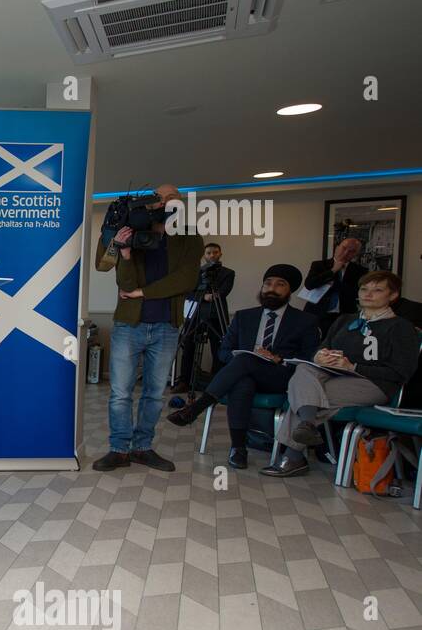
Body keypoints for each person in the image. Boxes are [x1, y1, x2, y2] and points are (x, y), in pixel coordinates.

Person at [262, 270, 420, 477]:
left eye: (377, 290)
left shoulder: (401, 327)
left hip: (374, 384)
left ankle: (294, 455)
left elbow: (401, 372)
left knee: (309, 395)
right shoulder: (344, 320)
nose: (368, 294)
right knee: (305, 369)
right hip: (332, 375)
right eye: (364, 289)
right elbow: (322, 348)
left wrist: (353, 367)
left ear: (393, 295)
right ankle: (306, 428)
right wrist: (319, 357)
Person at [93, 185, 204, 472]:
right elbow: (108, 271)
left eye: (172, 197)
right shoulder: (129, 229)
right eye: (160, 197)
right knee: (120, 392)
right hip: (129, 325)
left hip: (167, 326)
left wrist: (143, 293)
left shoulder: (189, 237)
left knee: (154, 393)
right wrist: (121, 247)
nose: (165, 202)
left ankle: (142, 448)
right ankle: (119, 450)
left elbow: (186, 280)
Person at [166, 264, 319, 468]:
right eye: (267, 283)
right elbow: (223, 351)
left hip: (282, 377)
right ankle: (238, 448)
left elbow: (309, 358)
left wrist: (277, 358)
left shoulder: (305, 320)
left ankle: (198, 407)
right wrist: (242, 357)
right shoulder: (244, 316)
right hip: (245, 374)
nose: (272, 288)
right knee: (243, 381)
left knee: (246, 362)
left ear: (289, 291)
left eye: (280, 284)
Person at [170, 242, 234, 391]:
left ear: (220, 254)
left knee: (218, 348)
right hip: (196, 312)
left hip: (217, 313)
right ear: (204, 255)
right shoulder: (196, 273)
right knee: (188, 346)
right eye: (209, 253)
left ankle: (217, 382)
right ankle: (184, 381)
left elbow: (223, 292)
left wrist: (209, 295)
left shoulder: (228, 273)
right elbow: (188, 292)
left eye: (215, 252)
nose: (212, 255)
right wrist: (203, 296)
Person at [303, 237, 367, 337]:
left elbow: (357, 292)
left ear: (355, 254)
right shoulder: (319, 265)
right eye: (344, 248)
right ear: (337, 247)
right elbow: (309, 284)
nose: (346, 253)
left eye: (351, 251)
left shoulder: (360, 271)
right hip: (317, 313)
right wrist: (333, 270)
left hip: (344, 315)